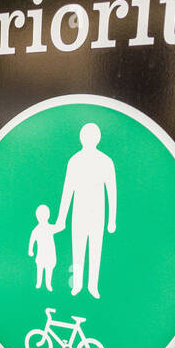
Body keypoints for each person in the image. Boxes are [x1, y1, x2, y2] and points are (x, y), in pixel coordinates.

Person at [55, 122, 117, 299]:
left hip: (98, 213)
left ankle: (93, 286)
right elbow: (67, 191)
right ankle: (77, 285)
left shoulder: (106, 161)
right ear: (81, 138)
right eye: (86, 136)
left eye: (92, 136)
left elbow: (112, 192)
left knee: (96, 250)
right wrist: (61, 218)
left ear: (97, 139)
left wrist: (112, 220)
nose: (88, 139)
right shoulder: (75, 161)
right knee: (78, 250)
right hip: (79, 212)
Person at [27, 202, 63, 290]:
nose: (42, 217)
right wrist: (30, 250)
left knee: (49, 270)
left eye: (44, 215)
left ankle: (48, 284)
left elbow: (60, 227)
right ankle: (39, 283)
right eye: (40, 216)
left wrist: (61, 220)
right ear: (37, 217)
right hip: (41, 255)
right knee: (40, 269)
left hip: (50, 255)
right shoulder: (36, 230)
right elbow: (32, 240)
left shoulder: (50, 228)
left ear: (48, 216)